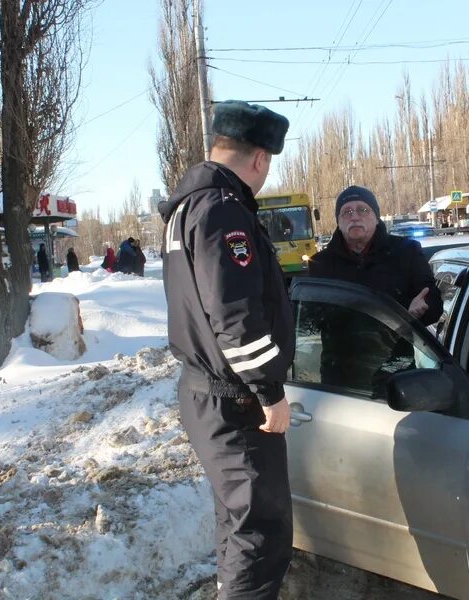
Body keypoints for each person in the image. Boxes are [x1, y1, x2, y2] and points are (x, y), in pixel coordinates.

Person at [158, 100, 293, 600]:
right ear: (259, 158)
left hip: (209, 395)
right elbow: (234, 315)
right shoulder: (222, 210)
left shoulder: (188, 207)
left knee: (238, 528)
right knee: (260, 536)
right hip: (235, 400)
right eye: (268, 164)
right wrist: (269, 391)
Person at [309, 185, 443, 324]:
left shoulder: (407, 251)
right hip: (340, 345)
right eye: (347, 212)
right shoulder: (320, 263)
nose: (354, 217)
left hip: (396, 343)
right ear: (338, 222)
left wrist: (420, 311)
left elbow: (433, 303)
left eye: (363, 210)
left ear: (377, 218)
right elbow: (310, 319)